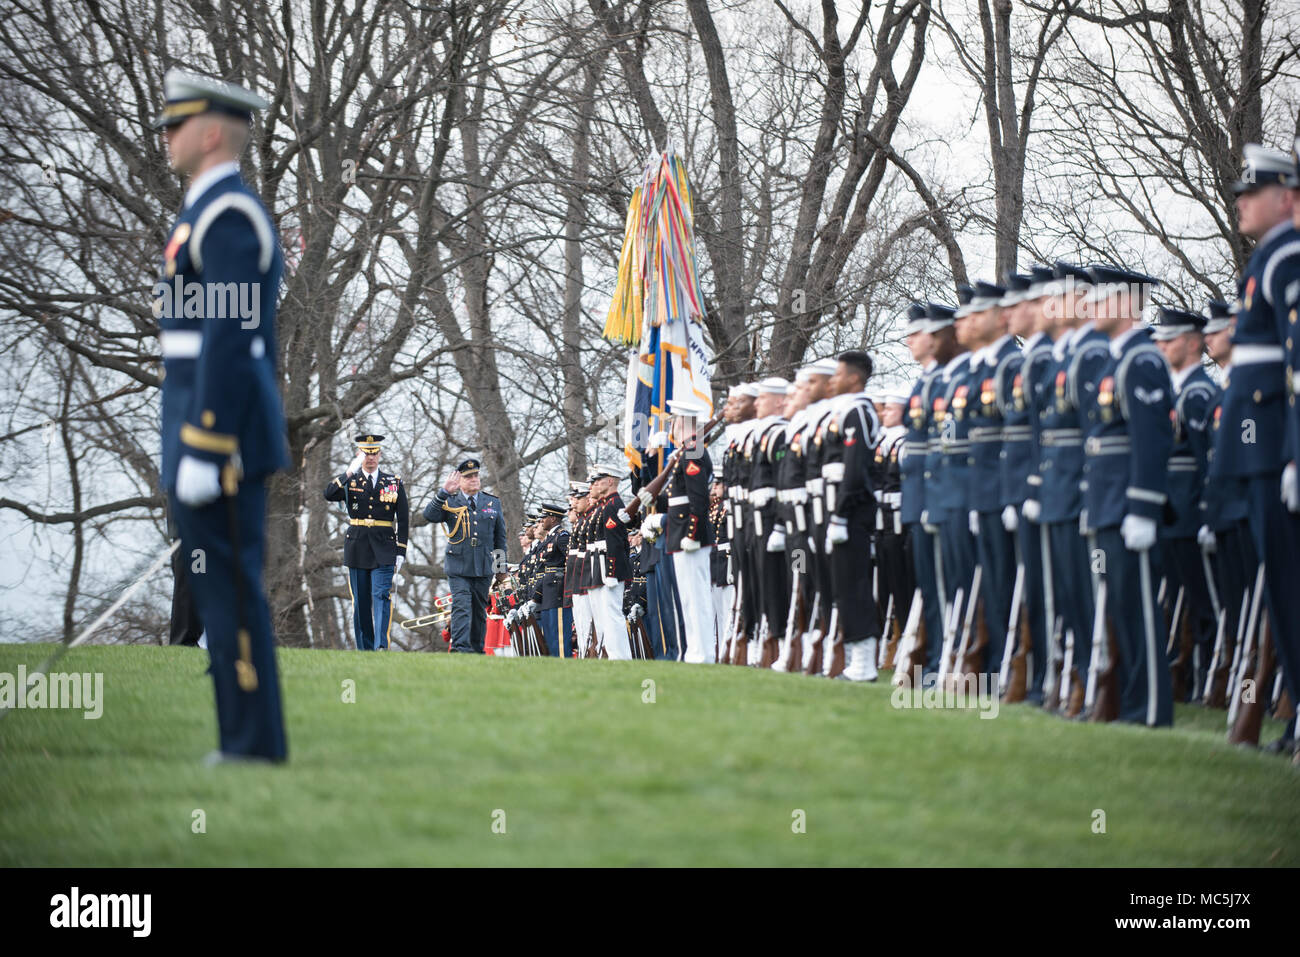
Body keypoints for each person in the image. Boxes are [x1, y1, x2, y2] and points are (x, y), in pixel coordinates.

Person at [153, 68, 288, 763]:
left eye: (176, 126)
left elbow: (231, 337)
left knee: (232, 593)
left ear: (209, 133)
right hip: (201, 432)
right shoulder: (204, 211)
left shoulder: (228, 217)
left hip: (221, 438)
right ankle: (242, 738)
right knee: (218, 592)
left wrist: (206, 441)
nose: (166, 138)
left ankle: (251, 744)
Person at [1080, 265, 1174, 727]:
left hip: (1127, 504)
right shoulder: (1114, 361)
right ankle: (1134, 704)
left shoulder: (1143, 360)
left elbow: (1152, 439)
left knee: (1139, 608)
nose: (1090, 307)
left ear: (1124, 304)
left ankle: (1152, 707)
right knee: (1121, 608)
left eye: (1099, 299)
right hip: (1107, 500)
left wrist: (1142, 507)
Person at [324, 433, 409, 650]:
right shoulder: (350, 480)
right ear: (358, 454)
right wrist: (348, 471)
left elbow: (403, 519)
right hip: (358, 547)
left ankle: (381, 646)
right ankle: (365, 647)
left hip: (384, 547)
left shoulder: (393, 482)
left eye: (374, 453)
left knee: (381, 595)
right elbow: (329, 494)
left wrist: (401, 551)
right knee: (361, 601)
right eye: (365, 453)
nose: (370, 458)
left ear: (380, 455)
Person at [423, 457, 508, 653]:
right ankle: (460, 648)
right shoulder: (450, 500)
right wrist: (444, 492)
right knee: (461, 606)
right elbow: (429, 516)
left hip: (483, 566)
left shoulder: (492, 502)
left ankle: (477, 650)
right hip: (458, 565)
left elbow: (500, 538)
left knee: (479, 611)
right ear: (459, 480)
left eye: (476, 475)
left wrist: (501, 569)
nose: (473, 479)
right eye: (468, 476)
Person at [662, 398, 716, 663]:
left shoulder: (693, 450)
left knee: (696, 597)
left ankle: (703, 652)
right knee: (688, 598)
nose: (671, 425)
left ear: (682, 421)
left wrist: (692, 534)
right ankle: (696, 650)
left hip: (689, 533)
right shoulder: (686, 451)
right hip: (680, 531)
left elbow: (699, 498)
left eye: (673, 420)